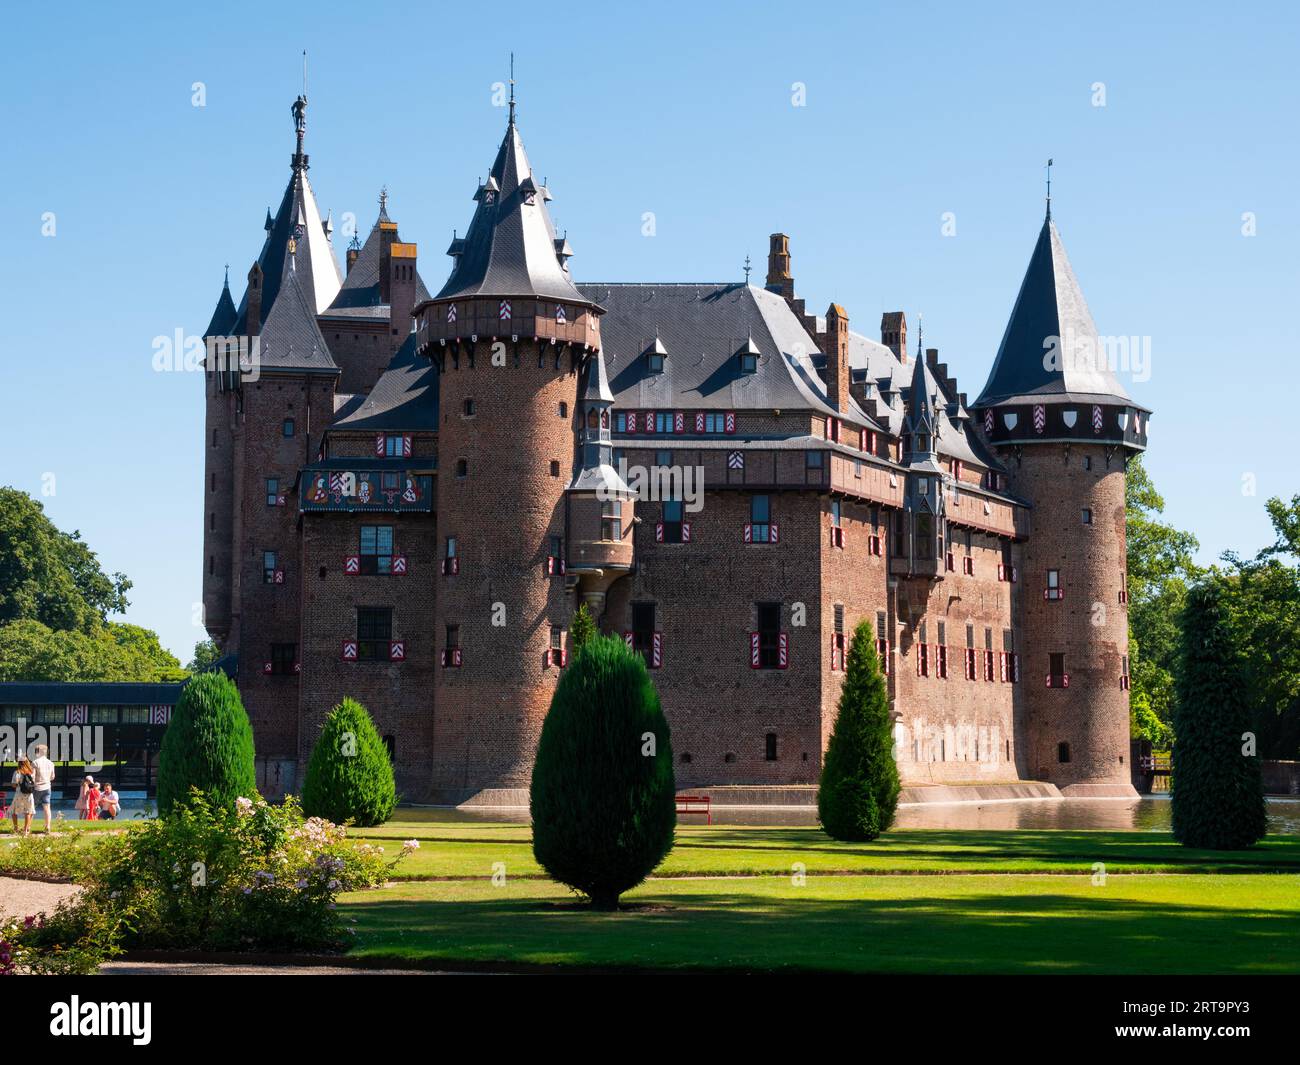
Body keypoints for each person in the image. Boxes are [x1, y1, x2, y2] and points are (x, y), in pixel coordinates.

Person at [30, 743, 55, 834]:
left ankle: (27, 827)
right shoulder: (51, 763)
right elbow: (52, 777)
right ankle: (48, 826)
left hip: (37, 787)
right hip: (47, 787)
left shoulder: (35, 762)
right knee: (47, 807)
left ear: (37, 752)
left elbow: (32, 777)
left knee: (32, 808)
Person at [10, 755, 36, 837]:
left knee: (14, 811)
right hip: (29, 794)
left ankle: (16, 829)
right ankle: (25, 830)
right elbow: (33, 782)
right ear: (27, 762)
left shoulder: (17, 772)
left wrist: (17, 784)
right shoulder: (32, 772)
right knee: (28, 812)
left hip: (19, 794)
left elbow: (14, 784)